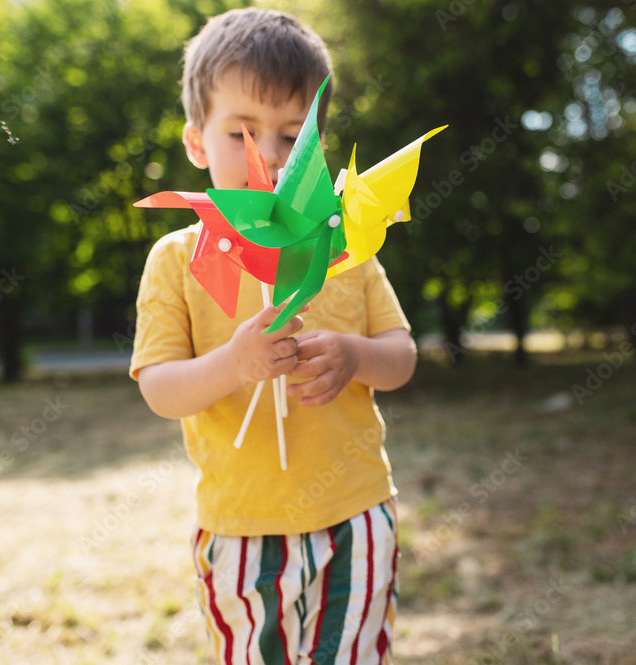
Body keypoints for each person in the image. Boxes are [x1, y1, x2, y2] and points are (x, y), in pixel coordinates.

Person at [129, 8, 417, 665]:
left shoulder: (344, 249)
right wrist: (233, 362)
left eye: (293, 136)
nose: (271, 157)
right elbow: (161, 387)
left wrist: (354, 355)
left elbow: (401, 357)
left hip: (357, 512)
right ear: (197, 142)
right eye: (241, 132)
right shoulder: (176, 260)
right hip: (243, 528)